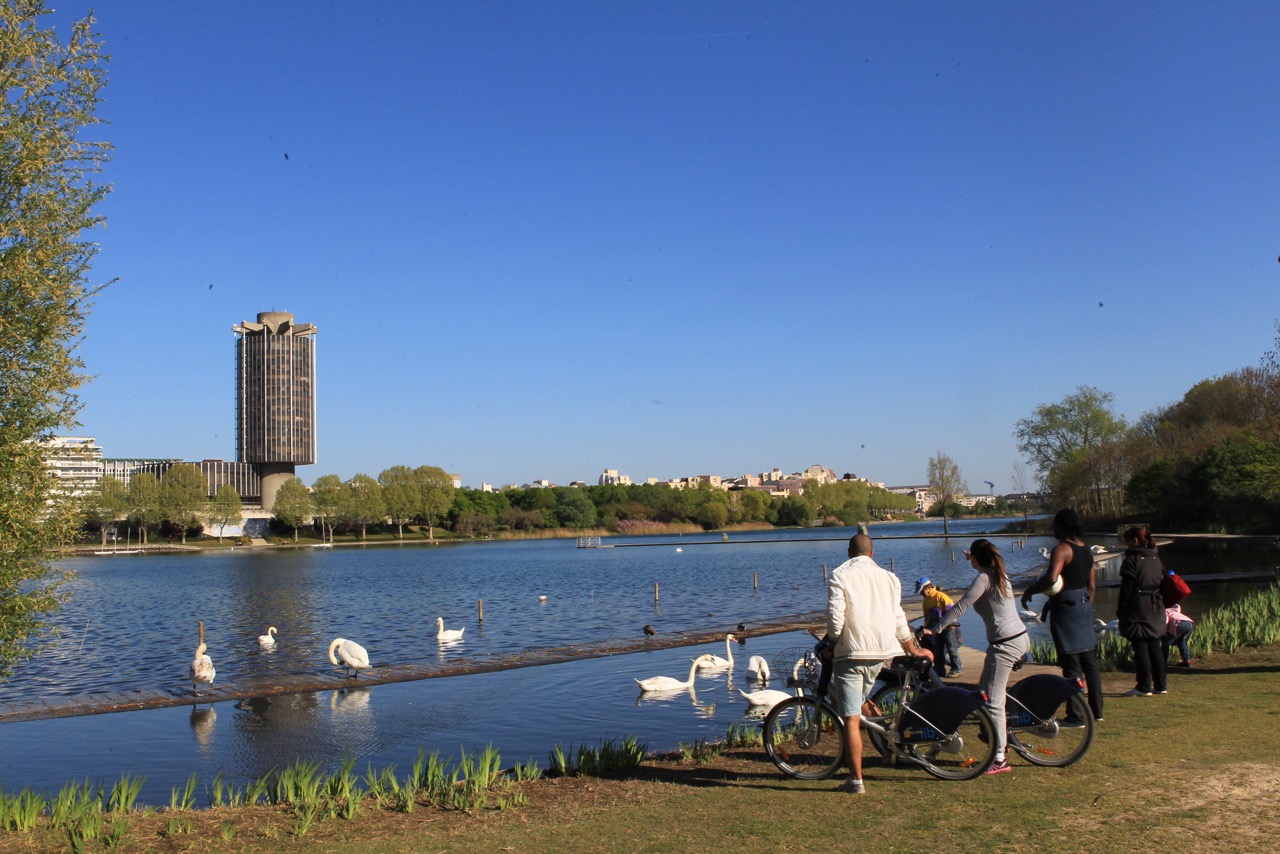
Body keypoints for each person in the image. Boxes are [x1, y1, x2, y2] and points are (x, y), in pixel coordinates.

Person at [826, 532, 931, 795]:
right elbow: (898, 618)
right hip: (882, 652)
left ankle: (855, 781)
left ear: (848, 553)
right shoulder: (889, 578)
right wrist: (911, 648)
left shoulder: (840, 575)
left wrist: (831, 644)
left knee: (850, 719)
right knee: (860, 701)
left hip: (851, 653)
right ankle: (887, 737)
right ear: (872, 554)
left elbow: (836, 619)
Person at [926, 539, 1029, 775]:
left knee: (992, 701)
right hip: (1019, 637)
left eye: (970, 557)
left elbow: (961, 607)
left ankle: (999, 758)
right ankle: (1002, 737)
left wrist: (936, 628)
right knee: (987, 691)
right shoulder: (998, 574)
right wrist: (973, 557)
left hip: (1004, 644)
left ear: (975, 558)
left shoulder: (983, 578)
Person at [1020, 508, 1104, 722]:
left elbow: (1051, 578)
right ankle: (1097, 711)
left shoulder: (1062, 549)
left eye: (1055, 525)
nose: (1053, 529)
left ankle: (1076, 714)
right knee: (1089, 662)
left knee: (1071, 662)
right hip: (1083, 605)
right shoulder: (1085, 549)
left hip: (1066, 607)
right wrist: (1086, 606)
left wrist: (1030, 591)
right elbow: (1092, 585)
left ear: (1062, 526)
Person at [1116, 526, 1168, 697]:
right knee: (1154, 644)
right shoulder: (1155, 557)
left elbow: (1126, 588)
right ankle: (1160, 685)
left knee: (1140, 645)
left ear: (1135, 541)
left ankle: (1143, 686)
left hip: (1138, 604)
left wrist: (1121, 610)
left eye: (1127, 541)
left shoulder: (1132, 560)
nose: (1125, 544)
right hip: (1156, 603)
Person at [915, 577, 963, 677]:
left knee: (951, 648)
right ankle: (940, 670)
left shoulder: (940, 596)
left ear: (928, 587)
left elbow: (952, 611)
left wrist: (953, 623)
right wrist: (926, 628)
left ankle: (957, 669)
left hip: (948, 627)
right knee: (938, 650)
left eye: (922, 591)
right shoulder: (926, 602)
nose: (921, 594)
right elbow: (927, 617)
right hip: (937, 629)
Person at [1164, 603, 1195, 667]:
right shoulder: (1176, 612)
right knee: (1181, 641)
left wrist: (1164, 632)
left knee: (1166, 643)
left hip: (1179, 624)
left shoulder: (1166, 612)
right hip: (1189, 623)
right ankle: (1186, 661)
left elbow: (1166, 622)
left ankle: (1163, 662)